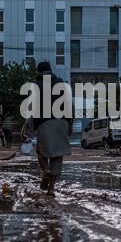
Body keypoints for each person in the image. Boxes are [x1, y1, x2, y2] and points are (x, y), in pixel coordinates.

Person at [23, 61, 72, 195]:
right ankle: (51, 188)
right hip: (62, 121)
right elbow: (68, 105)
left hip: (45, 123)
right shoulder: (61, 83)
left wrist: (29, 126)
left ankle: (46, 170)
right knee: (57, 156)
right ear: (51, 71)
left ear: (38, 72)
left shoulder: (35, 85)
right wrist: (70, 124)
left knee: (41, 152)